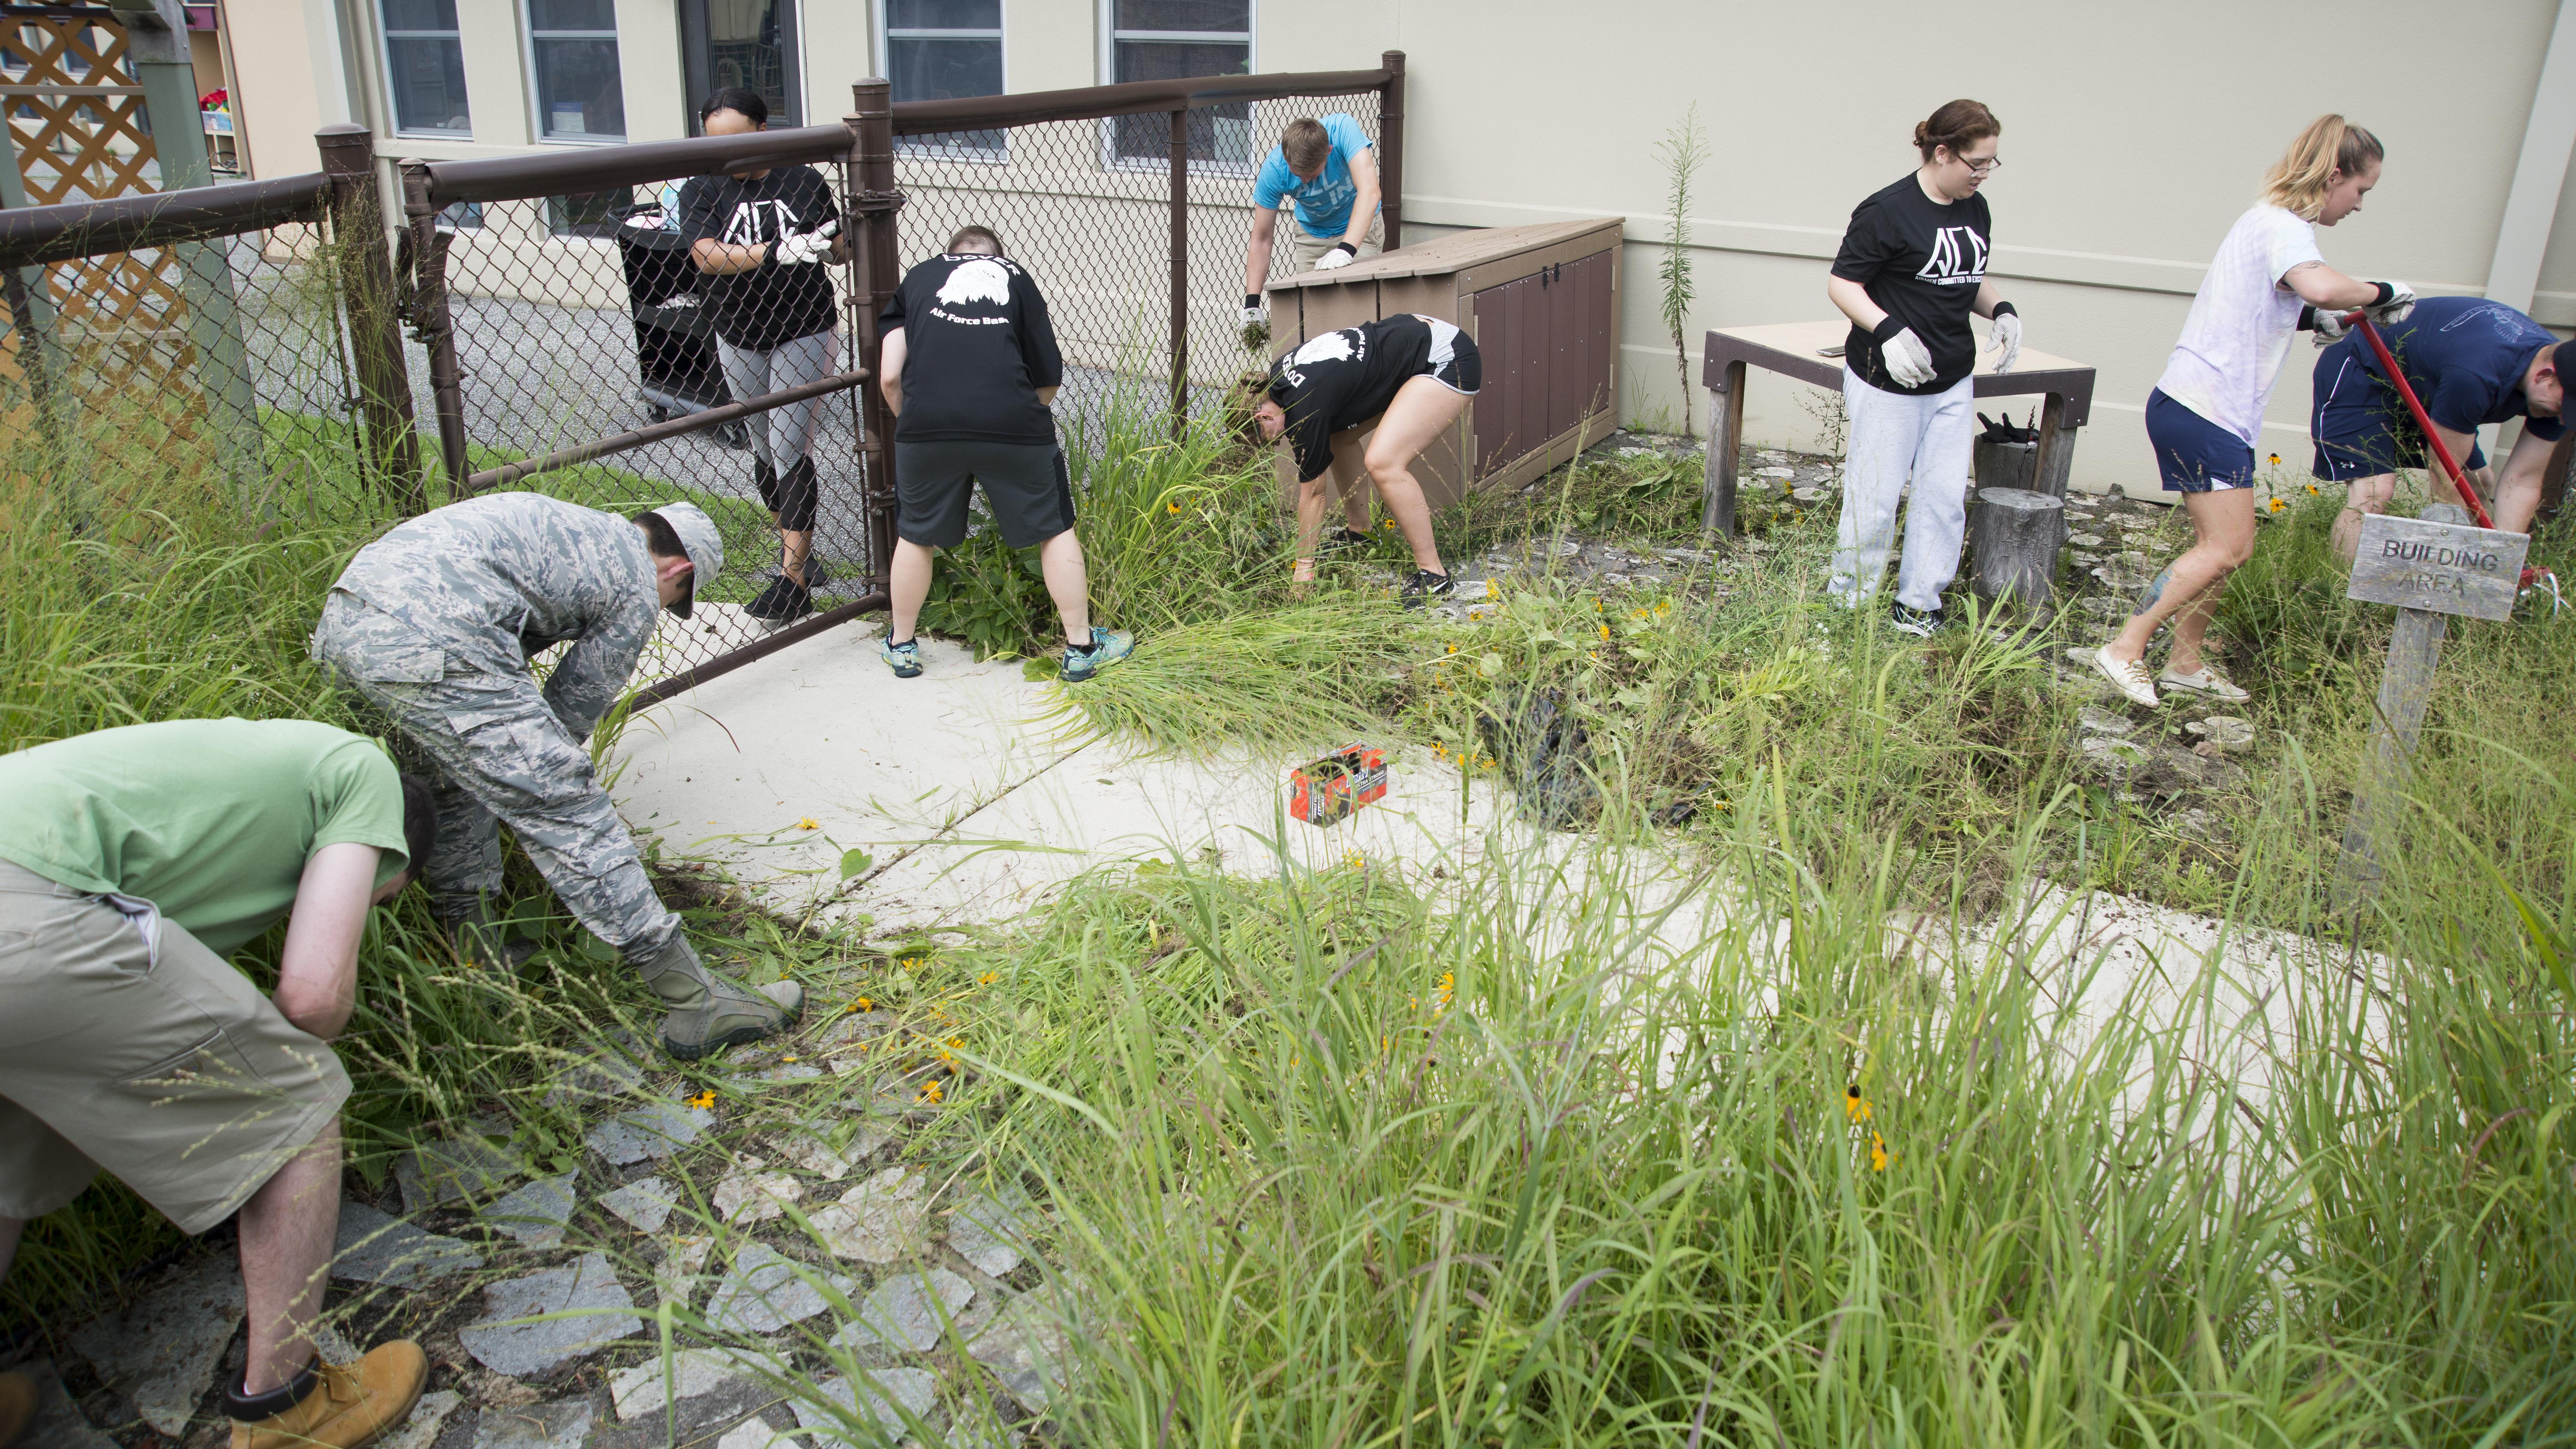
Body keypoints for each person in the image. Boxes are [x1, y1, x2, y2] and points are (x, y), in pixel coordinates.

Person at [0, 719, 434, 1449]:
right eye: (384, 896)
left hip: (29, 883)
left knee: (9, 1163)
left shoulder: (254, 761)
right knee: (292, 1101)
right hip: (30, 905)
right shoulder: (366, 776)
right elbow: (310, 996)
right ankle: (288, 1410)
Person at [309, 493, 805, 1060]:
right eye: (677, 599)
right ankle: (695, 1001)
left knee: (446, 785)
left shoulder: (575, 526)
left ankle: (478, 970)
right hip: (435, 636)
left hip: (348, 625)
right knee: (566, 802)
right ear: (678, 570)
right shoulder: (635, 579)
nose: (665, 606)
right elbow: (568, 716)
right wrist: (533, 787)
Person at [2090, 116, 2412, 708]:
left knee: (2231, 546)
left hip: (2210, 408)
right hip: (2202, 407)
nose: (2361, 204)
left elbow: (2286, 302)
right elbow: (2318, 287)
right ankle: (2126, 647)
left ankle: (2186, 662)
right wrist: (2384, 292)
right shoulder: (2282, 227)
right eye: (2362, 190)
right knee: (2227, 547)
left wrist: (2325, 320)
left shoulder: (2269, 227)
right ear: (2334, 175)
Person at [875, 225, 1133, 683]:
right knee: (1054, 529)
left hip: (925, 425)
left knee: (916, 535)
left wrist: (915, 421)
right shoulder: (1016, 277)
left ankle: (902, 646)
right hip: (1012, 421)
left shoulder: (917, 279)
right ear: (998, 258)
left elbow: (890, 378)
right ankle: (1081, 648)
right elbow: (1048, 376)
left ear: (949, 255)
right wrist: (1013, 416)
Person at [1823, 98, 2024, 636]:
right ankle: (1847, 606)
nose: (1983, 175)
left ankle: (1919, 604)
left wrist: (2001, 309)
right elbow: (1843, 284)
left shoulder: (1973, 207)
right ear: (1941, 153)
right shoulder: (1886, 210)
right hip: (1889, 381)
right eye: (1976, 164)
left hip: (1952, 379)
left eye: (1990, 165)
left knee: (1941, 500)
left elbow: (1967, 274)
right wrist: (1886, 331)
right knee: (1875, 500)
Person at [678, 85, 847, 627]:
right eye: (713, 145)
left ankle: (792, 580)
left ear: (762, 132)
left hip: (804, 327)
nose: (725, 156)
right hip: (737, 329)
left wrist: (832, 242)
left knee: (788, 444)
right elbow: (705, 256)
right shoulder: (701, 185)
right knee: (761, 445)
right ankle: (799, 550)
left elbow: (841, 251)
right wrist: (775, 251)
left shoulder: (801, 179)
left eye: (735, 142)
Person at [2311, 294, 2570, 560]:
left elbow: (2524, 481)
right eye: (2563, 408)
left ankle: (2477, 589)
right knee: (2374, 492)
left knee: (2480, 483)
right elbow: (2446, 476)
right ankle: (2344, 593)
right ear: (2544, 376)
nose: (2562, 420)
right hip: (2363, 368)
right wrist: (2452, 555)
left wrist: (2504, 560)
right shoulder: (2476, 373)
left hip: (2425, 385)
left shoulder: (2560, 386)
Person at [1250, 311, 1481, 604]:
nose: (1273, 444)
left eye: (1263, 438)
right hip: (1414, 337)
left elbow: (1314, 496)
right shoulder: (1278, 379)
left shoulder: (1304, 408)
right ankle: (1361, 533)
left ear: (1263, 415)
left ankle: (1434, 575)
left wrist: (1303, 572)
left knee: (1384, 463)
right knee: (1338, 436)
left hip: (1449, 359)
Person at [1241, 114, 1387, 554]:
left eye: (1315, 173)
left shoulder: (1342, 134)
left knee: (1355, 329)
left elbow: (1370, 191)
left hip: (1361, 229)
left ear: (1328, 153)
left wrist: (1347, 250)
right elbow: (1262, 238)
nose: (1308, 180)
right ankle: (1326, 425)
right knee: (1315, 341)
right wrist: (1252, 302)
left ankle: (1358, 412)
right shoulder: (1274, 170)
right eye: (1301, 178)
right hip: (1312, 237)